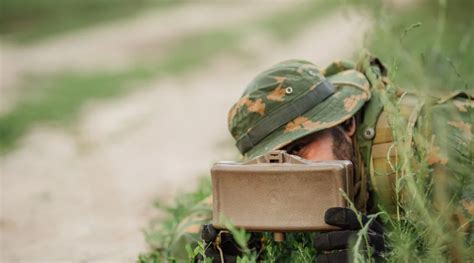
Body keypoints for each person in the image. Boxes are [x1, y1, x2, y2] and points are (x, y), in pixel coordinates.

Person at [198, 54, 473, 262]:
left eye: (298, 149)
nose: (288, 169)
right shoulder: (279, 176)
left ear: (346, 124)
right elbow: (200, 216)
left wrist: (398, 255)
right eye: (273, 159)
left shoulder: (429, 142)